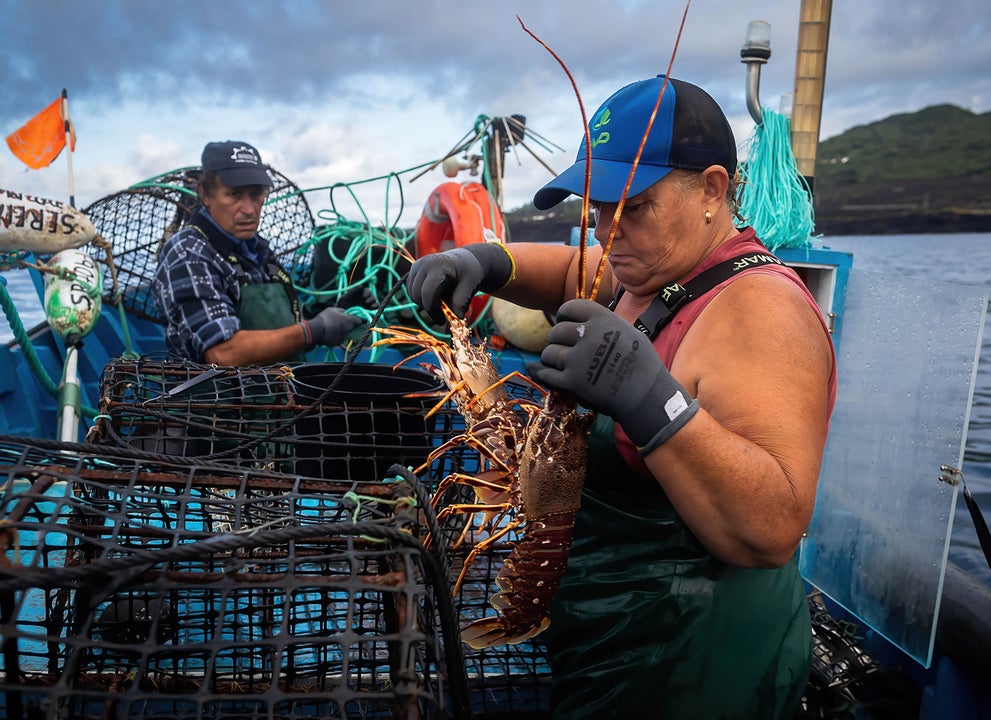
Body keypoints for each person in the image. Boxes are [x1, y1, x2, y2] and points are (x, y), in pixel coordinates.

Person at [407, 76, 837, 718]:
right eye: (599, 206)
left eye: (633, 207)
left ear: (713, 191)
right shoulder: (653, 264)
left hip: (696, 663)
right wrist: (488, 261)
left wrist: (650, 400)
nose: (610, 229)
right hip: (607, 632)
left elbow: (773, 528)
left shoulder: (761, 312)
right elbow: (579, 267)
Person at [153, 140, 363, 365]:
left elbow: (277, 330)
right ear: (205, 194)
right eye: (233, 195)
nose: (249, 209)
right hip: (217, 399)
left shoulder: (258, 250)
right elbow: (222, 353)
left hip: (282, 394)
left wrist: (334, 314)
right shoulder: (189, 253)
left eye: (256, 195)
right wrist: (313, 331)